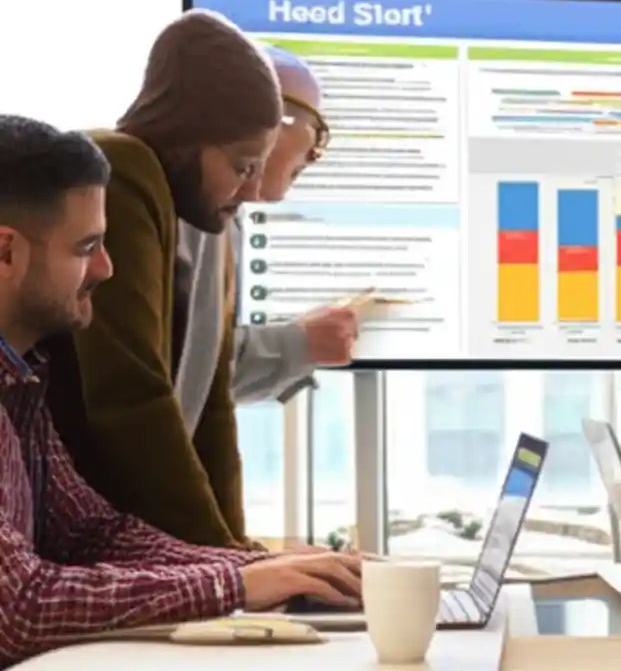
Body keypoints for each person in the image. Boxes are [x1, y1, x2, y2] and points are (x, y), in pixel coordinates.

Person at [0, 114, 361, 667]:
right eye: (86, 246)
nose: (108, 268)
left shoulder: (19, 379)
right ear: (5, 253)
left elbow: (94, 533)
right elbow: (19, 609)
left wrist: (251, 569)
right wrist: (234, 588)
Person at [44, 9, 282, 549]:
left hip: (140, 548)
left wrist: (237, 554)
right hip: (85, 543)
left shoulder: (212, 223)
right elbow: (129, 396)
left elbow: (212, 408)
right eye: (244, 166)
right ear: (184, 137)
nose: (253, 190)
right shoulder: (122, 170)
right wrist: (226, 567)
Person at [228, 44, 360, 405]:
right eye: (316, 128)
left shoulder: (225, 220)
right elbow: (188, 367)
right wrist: (301, 343)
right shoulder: (194, 220)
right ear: (271, 118)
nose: (317, 153)